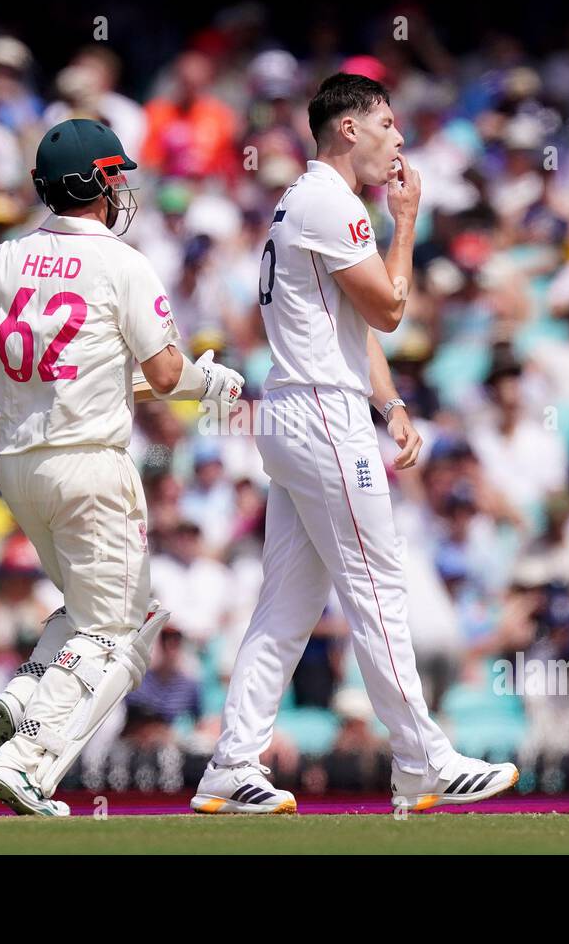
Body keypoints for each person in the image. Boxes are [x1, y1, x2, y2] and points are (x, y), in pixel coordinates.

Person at [194, 74, 518, 815]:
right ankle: (423, 759)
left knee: (287, 605)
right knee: (379, 589)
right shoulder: (331, 202)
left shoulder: (308, 201)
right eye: (388, 124)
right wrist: (406, 222)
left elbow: (349, 319)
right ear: (349, 129)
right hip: (318, 416)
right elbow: (392, 307)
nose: (399, 141)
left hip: (299, 410)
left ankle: (230, 764)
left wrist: (391, 401)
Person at [0, 118, 244, 815]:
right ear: (94, 182)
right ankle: (29, 758)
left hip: (21, 471)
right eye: (114, 173)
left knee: (91, 613)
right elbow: (164, 371)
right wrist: (208, 383)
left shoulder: (5, 258)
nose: (122, 186)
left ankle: (24, 690)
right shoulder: (123, 263)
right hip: (90, 468)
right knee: (123, 632)